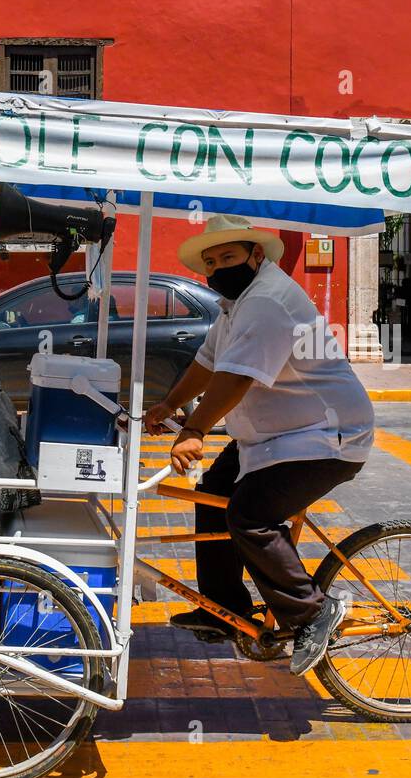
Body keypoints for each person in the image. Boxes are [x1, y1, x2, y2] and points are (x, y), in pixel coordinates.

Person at [143, 214, 375, 676]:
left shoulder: (268, 300)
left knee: (250, 515)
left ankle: (312, 612)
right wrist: (168, 405)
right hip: (275, 437)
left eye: (228, 256)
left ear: (257, 254)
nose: (217, 268)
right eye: (210, 262)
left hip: (323, 435)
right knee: (212, 494)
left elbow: (238, 376)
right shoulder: (237, 302)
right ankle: (222, 609)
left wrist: (195, 430)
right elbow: (209, 363)